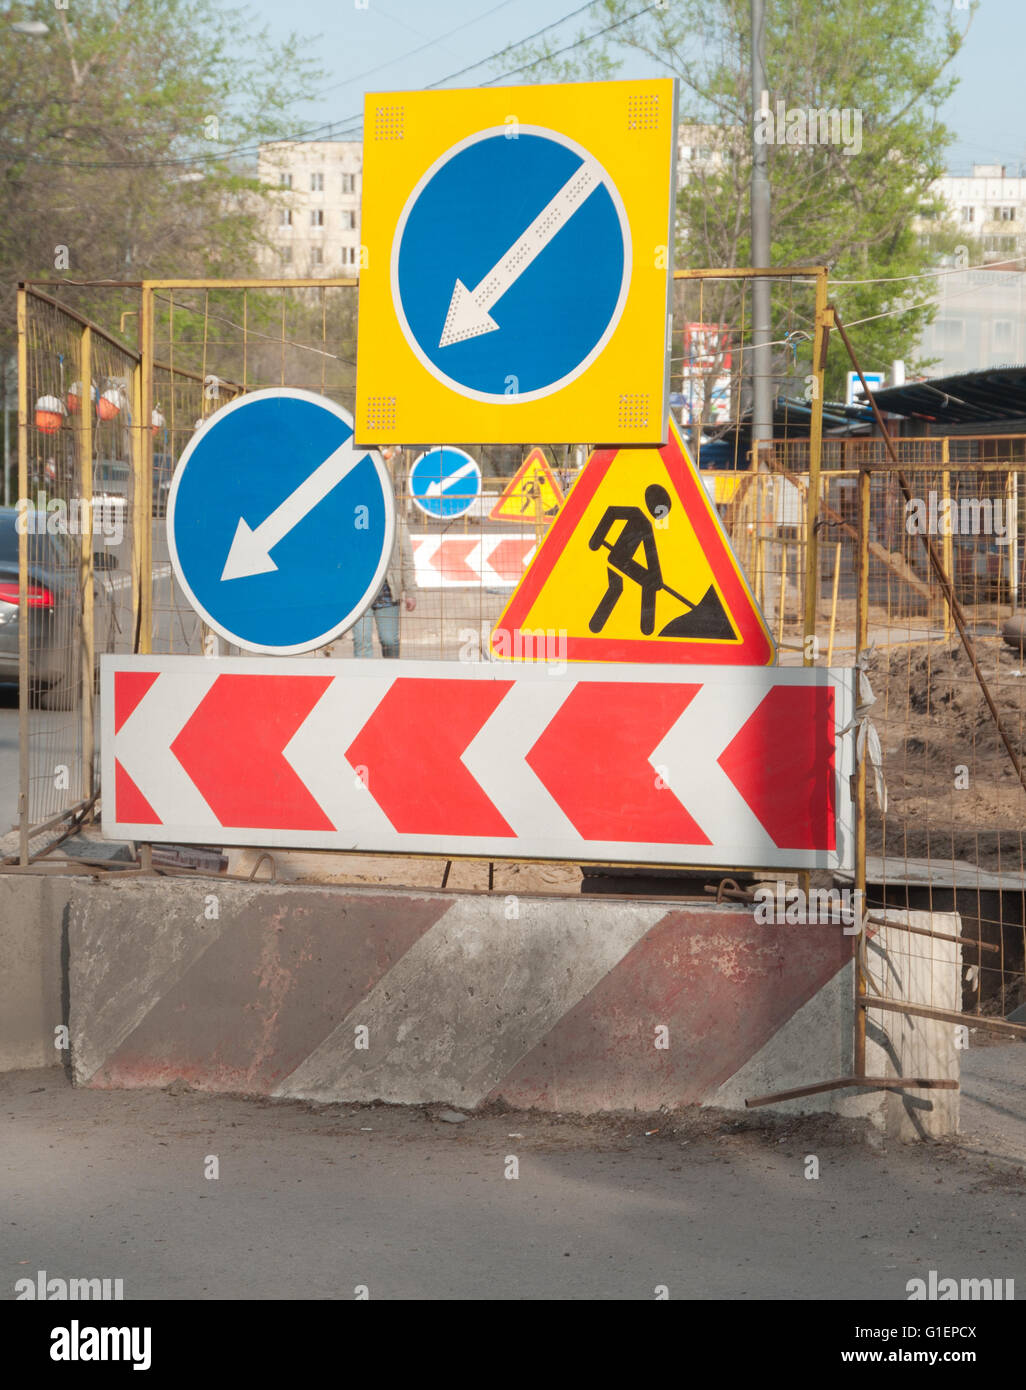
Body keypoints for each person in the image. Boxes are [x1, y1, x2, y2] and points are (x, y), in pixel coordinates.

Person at [353, 453, 416, 658]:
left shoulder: (397, 523)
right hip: (360, 592)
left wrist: (411, 591)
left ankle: (390, 677)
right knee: (361, 643)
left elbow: (406, 557)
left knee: (389, 640)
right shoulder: (355, 521)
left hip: (388, 593)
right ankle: (364, 684)